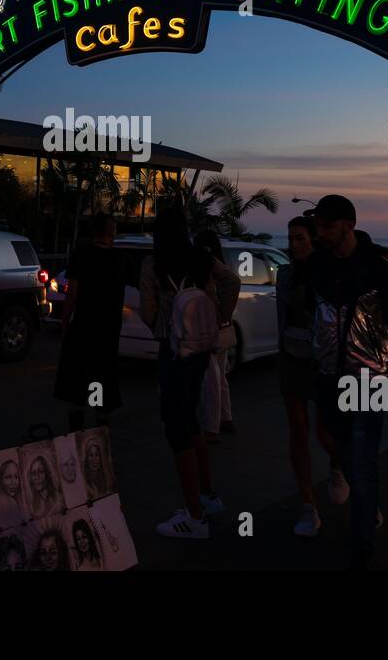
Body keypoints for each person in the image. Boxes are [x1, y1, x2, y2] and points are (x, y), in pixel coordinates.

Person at [308, 194, 388, 568]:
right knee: (348, 458)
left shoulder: (381, 264)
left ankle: (362, 544)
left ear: (349, 224)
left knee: (362, 457)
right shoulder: (317, 264)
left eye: (327, 226)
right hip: (327, 380)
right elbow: (313, 317)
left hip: (369, 382)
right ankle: (366, 512)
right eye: (318, 225)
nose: (320, 232)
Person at [140, 206, 223, 539]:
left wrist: (161, 327)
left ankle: (194, 517)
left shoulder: (152, 264)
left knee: (177, 429)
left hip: (173, 352)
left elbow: (147, 310)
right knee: (191, 422)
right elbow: (229, 282)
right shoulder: (202, 259)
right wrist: (219, 319)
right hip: (200, 351)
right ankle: (207, 496)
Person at [276, 215, 346, 539]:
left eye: (299, 238)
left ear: (313, 240)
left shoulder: (329, 274)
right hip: (291, 356)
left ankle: (337, 466)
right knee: (297, 427)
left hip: (323, 360)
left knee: (324, 428)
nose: (293, 244)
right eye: (290, 238)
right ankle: (308, 505)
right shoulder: (285, 275)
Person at [55, 213, 126, 433]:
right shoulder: (119, 259)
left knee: (77, 383)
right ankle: (98, 433)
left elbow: (72, 293)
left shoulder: (81, 255)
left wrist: (65, 321)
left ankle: (77, 434)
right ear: (110, 232)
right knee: (100, 382)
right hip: (107, 334)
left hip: (83, 329)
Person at [196, 230, 241, 443]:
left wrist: (222, 313)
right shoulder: (220, 264)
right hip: (222, 328)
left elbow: (234, 282)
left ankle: (211, 426)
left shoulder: (207, 264)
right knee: (220, 375)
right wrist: (225, 315)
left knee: (211, 378)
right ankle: (225, 418)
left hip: (211, 327)